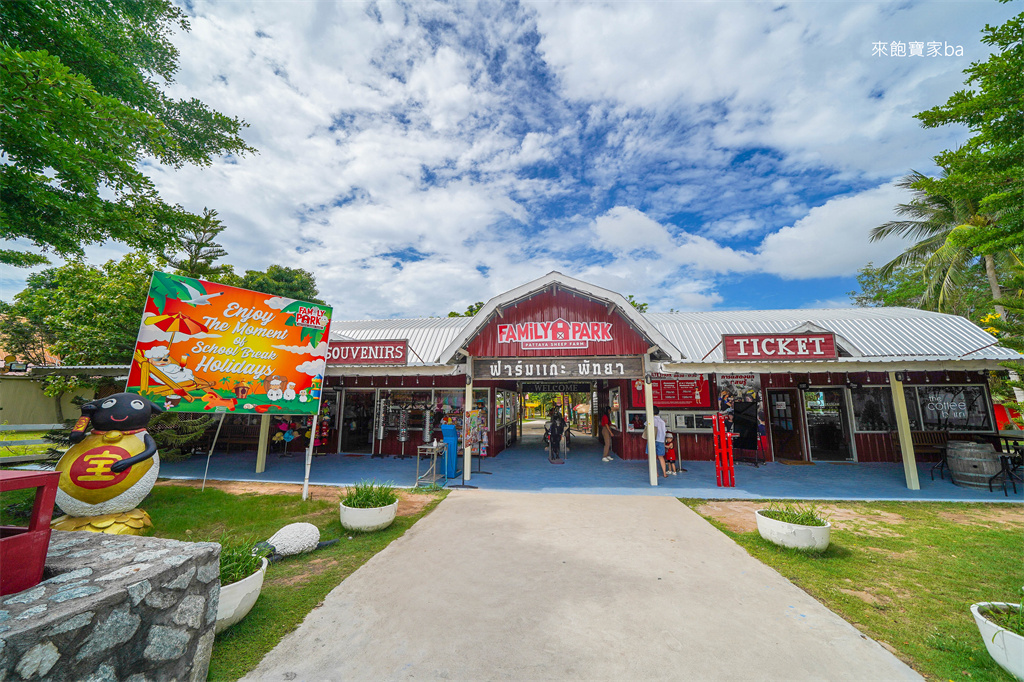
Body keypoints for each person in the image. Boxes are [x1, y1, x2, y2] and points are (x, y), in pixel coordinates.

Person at [653, 406, 668, 478]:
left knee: (653, 458)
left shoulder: (651, 420)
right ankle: (664, 473)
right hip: (661, 440)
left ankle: (656, 473)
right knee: (661, 457)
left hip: (653, 440)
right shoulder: (662, 421)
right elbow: (664, 431)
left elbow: (645, 425)